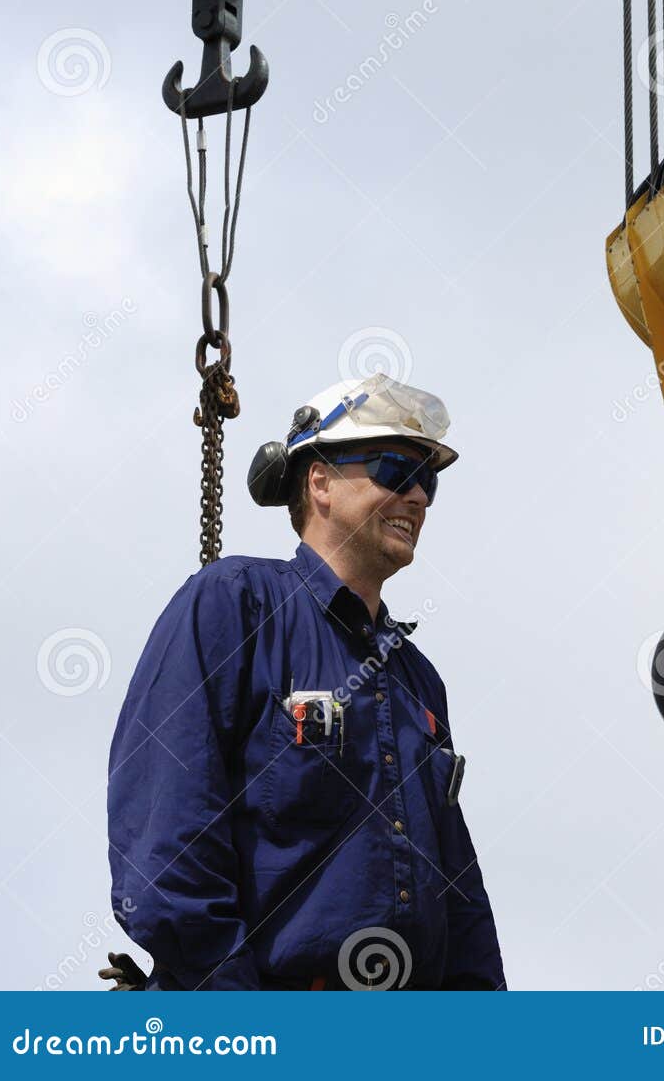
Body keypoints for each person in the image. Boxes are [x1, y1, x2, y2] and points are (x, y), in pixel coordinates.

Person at [106, 370, 505, 990]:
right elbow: (168, 844)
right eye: (396, 471)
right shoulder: (234, 606)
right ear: (319, 481)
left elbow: (457, 889)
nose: (420, 497)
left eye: (427, 480)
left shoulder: (417, 683)